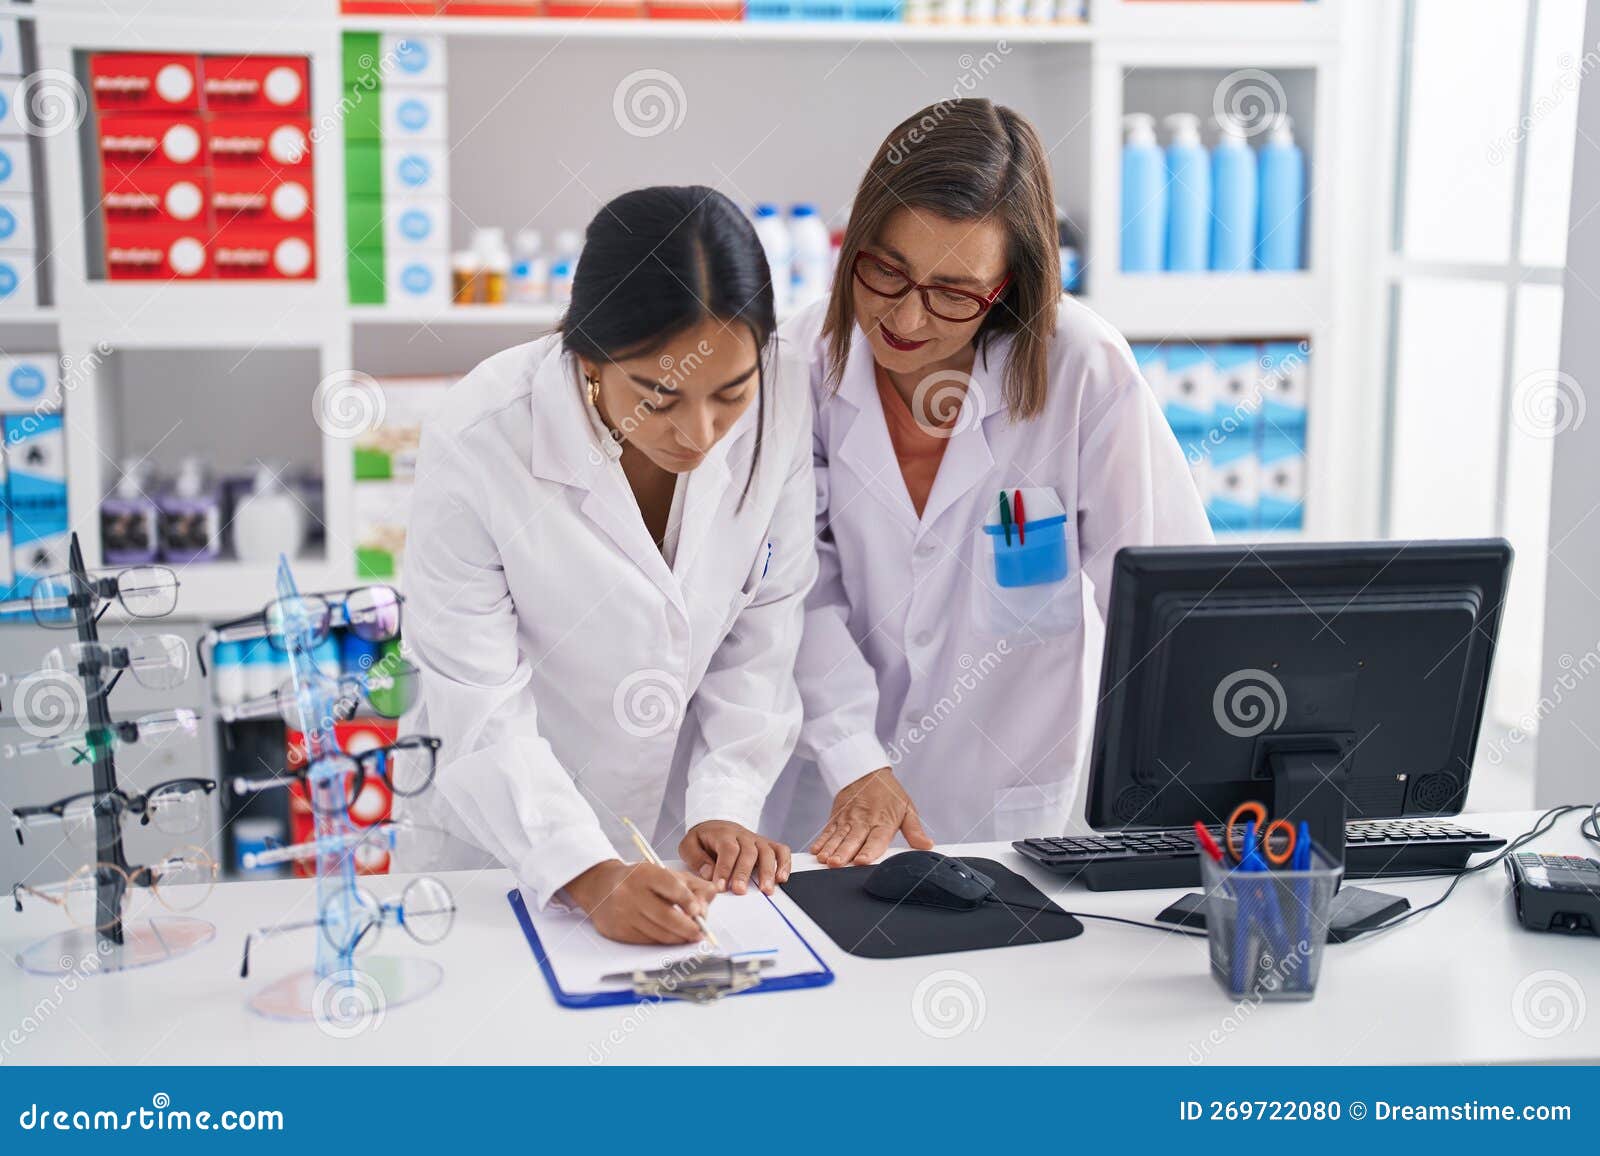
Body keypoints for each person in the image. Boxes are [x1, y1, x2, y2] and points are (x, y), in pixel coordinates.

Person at [764, 99, 1212, 865]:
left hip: (997, 807)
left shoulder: (1082, 368)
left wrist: (1193, 802)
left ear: (1008, 287)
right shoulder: (800, 361)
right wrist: (854, 755)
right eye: (886, 271)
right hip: (822, 799)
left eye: (953, 292)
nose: (905, 318)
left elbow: (1169, 598)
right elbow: (793, 587)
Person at [404, 186, 815, 944]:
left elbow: (763, 626)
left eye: (731, 393)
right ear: (589, 358)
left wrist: (724, 801)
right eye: (658, 397)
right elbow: (476, 698)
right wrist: (586, 876)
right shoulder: (482, 435)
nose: (700, 433)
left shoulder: (784, 402)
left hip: (663, 840)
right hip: (494, 848)